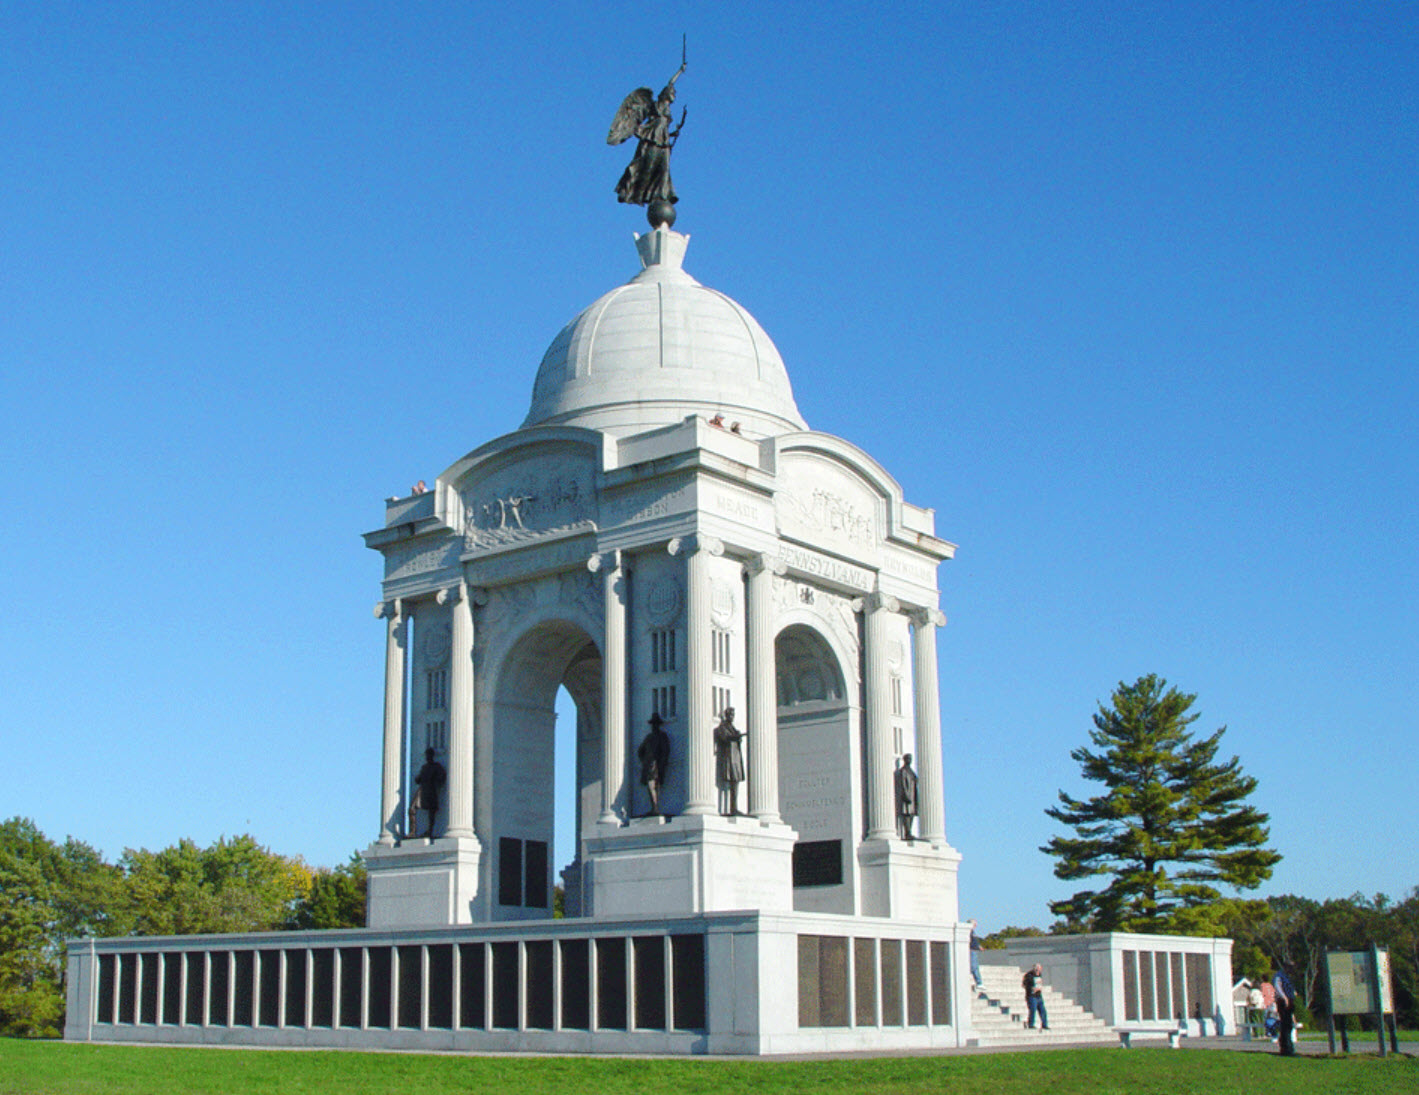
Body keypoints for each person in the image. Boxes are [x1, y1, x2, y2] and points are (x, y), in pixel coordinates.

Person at [713, 707, 746, 816]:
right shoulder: (722, 728)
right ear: (726, 715)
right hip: (729, 758)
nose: (732, 717)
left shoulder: (733, 728)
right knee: (730, 781)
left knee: (735, 782)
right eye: (730, 715)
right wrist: (735, 736)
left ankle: (734, 807)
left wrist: (738, 736)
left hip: (735, 757)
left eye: (733, 715)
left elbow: (735, 738)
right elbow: (725, 737)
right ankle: (729, 808)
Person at [408, 747, 446, 839]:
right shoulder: (424, 767)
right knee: (411, 809)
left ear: (432, 756)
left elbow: (442, 777)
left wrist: (435, 782)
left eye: (429, 755)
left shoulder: (436, 766)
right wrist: (419, 778)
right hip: (422, 790)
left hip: (430, 790)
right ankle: (413, 831)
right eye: (426, 755)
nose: (427, 757)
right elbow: (418, 779)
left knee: (431, 811)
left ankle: (430, 831)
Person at [637, 712, 671, 816]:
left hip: (657, 765)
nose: (654, 726)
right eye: (653, 724)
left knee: (655, 786)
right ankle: (654, 807)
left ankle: (655, 807)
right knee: (650, 786)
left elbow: (666, 751)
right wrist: (645, 761)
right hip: (649, 765)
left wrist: (661, 763)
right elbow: (640, 751)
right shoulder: (649, 737)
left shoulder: (662, 736)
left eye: (655, 724)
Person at [1272, 963, 1298, 1056]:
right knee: (1285, 1025)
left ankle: (1289, 1047)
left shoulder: (1287, 977)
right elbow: (1277, 987)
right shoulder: (1279, 975)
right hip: (1283, 1002)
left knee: (1289, 1025)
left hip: (1289, 1000)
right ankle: (1286, 1048)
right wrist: (1284, 998)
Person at [894, 754, 919, 840]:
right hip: (907, 795)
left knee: (912, 813)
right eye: (908, 758)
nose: (910, 760)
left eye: (910, 759)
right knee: (907, 813)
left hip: (912, 795)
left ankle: (909, 832)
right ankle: (907, 832)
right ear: (905, 760)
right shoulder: (903, 771)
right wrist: (905, 794)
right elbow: (903, 784)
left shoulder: (911, 771)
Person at [1023, 963, 1049, 1030]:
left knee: (1043, 1010)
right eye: (1037, 969)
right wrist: (1032, 988)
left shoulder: (1039, 975)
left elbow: (1040, 983)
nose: (1038, 971)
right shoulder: (1028, 975)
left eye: (1039, 970)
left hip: (1038, 995)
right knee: (1033, 1010)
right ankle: (1031, 1024)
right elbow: (1024, 985)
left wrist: (1039, 988)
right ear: (1034, 969)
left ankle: (1044, 1024)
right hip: (1031, 995)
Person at [968, 919, 983, 989]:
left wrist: (979, 946)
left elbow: (975, 941)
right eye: (975, 924)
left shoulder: (973, 932)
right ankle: (979, 982)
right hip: (971, 950)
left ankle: (979, 982)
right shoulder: (969, 932)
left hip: (974, 950)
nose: (976, 925)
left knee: (974, 967)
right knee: (973, 967)